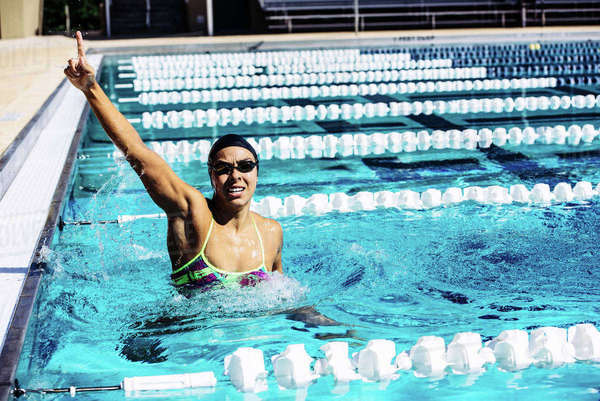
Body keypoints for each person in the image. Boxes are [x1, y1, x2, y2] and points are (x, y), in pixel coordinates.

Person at [64, 32, 283, 289]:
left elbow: (285, 298)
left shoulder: (270, 232)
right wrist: (91, 88)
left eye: (245, 166)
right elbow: (137, 152)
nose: (235, 176)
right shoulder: (193, 211)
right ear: (211, 176)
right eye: (224, 169)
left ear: (257, 171)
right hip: (190, 328)